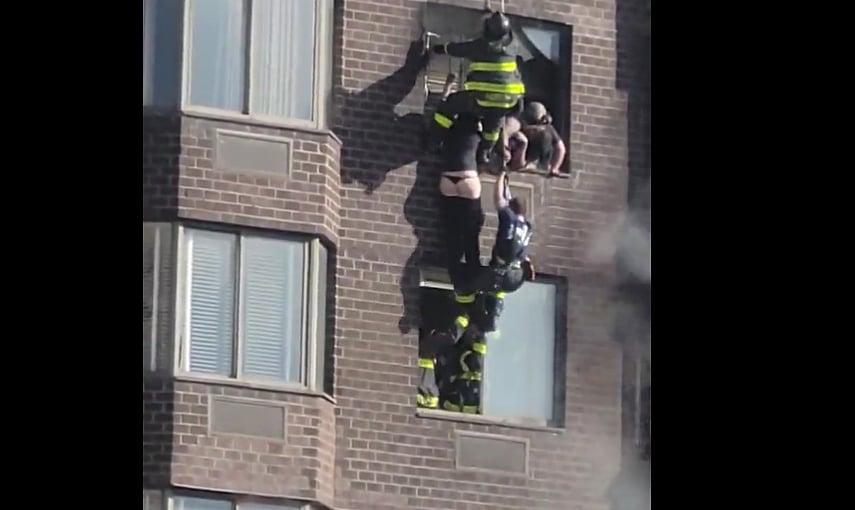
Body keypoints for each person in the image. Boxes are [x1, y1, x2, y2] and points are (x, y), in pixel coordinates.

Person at [426, 11, 526, 165]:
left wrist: (439, 49)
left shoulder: (480, 46)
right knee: (493, 126)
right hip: (508, 101)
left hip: (481, 98)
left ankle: (433, 140)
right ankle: (484, 154)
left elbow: (458, 49)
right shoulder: (513, 45)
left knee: (450, 106)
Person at [436, 74, 486, 290]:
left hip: (447, 179)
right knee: (472, 229)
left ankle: (453, 267)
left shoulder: (449, 126)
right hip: (468, 178)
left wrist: (448, 87)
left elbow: (440, 107)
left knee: (451, 226)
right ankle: (473, 269)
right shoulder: (477, 130)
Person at [508, 101, 566, 176]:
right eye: (531, 129)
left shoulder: (548, 130)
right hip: (525, 164)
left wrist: (555, 168)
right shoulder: (520, 133)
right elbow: (517, 165)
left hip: (542, 165)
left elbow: (560, 149)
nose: (534, 131)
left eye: (536, 129)